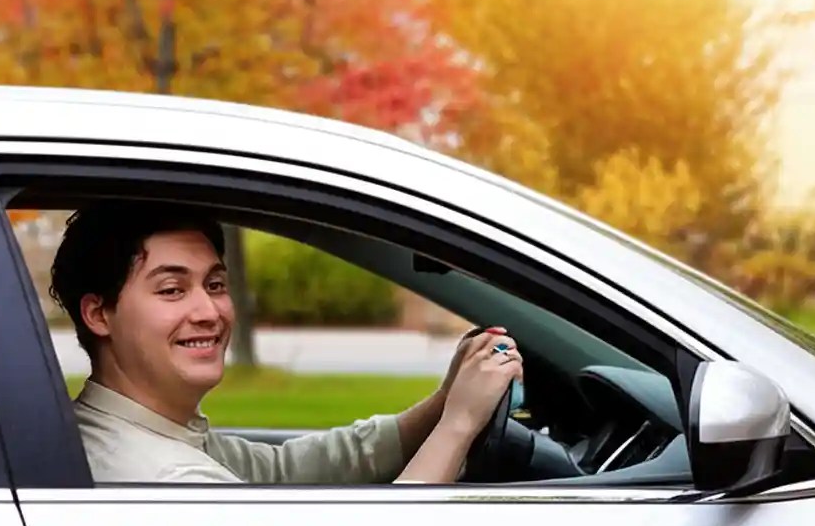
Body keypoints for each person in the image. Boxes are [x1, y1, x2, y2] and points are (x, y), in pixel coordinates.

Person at [48, 200, 522, 485]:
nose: (208, 312)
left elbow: (283, 471)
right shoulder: (174, 481)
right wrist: (459, 424)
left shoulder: (129, 431)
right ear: (98, 314)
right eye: (172, 290)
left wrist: (442, 403)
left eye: (214, 285)